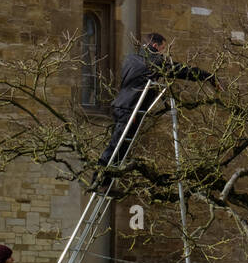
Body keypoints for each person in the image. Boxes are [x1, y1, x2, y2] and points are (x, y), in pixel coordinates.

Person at [92, 32, 214, 185]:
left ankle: (103, 183)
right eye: (162, 49)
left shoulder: (131, 59)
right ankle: (97, 181)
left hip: (120, 106)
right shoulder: (153, 62)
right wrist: (207, 76)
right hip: (130, 108)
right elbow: (180, 70)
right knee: (116, 146)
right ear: (154, 46)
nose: (163, 53)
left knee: (119, 148)